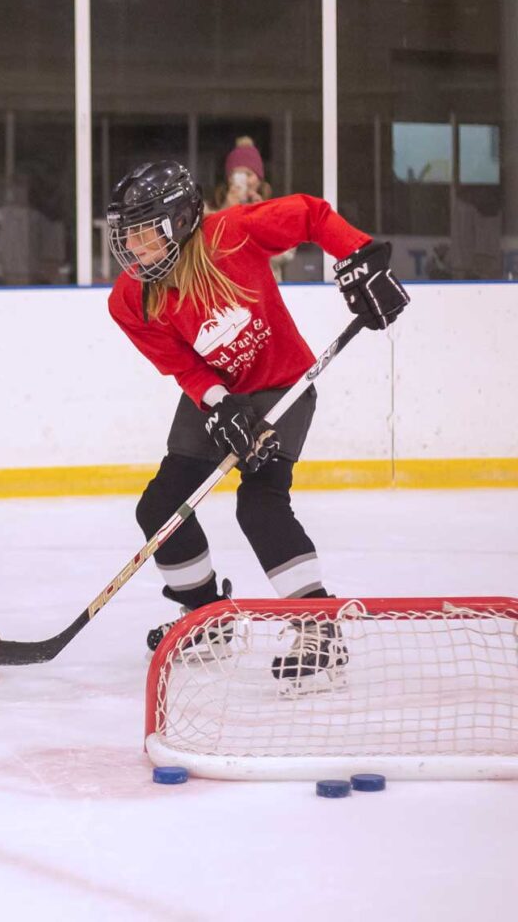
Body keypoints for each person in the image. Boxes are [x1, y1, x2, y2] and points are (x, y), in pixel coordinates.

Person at [105, 160, 407, 687]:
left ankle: (319, 627)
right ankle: (206, 617)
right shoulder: (129, 299)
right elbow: (181, 364)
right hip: (216, 398)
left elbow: (311, 215)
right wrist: (219, 404)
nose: (133, 248)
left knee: (260, 502)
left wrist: (360, 256)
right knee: (159, 506)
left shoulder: (233, 235)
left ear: (178, 223)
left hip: (281, 388)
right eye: (126, 236)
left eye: (144, 233)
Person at [211, 136, 294, 281]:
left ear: (259, 178)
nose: (244, 181)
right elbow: (206, 251)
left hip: (266, 292)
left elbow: (285, 254)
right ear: (228, 179)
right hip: (227, 290)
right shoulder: (211, 211)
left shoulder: (275, 211)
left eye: (248, 174)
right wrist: (225, 211)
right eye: (236, 175)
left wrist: (262, 217)